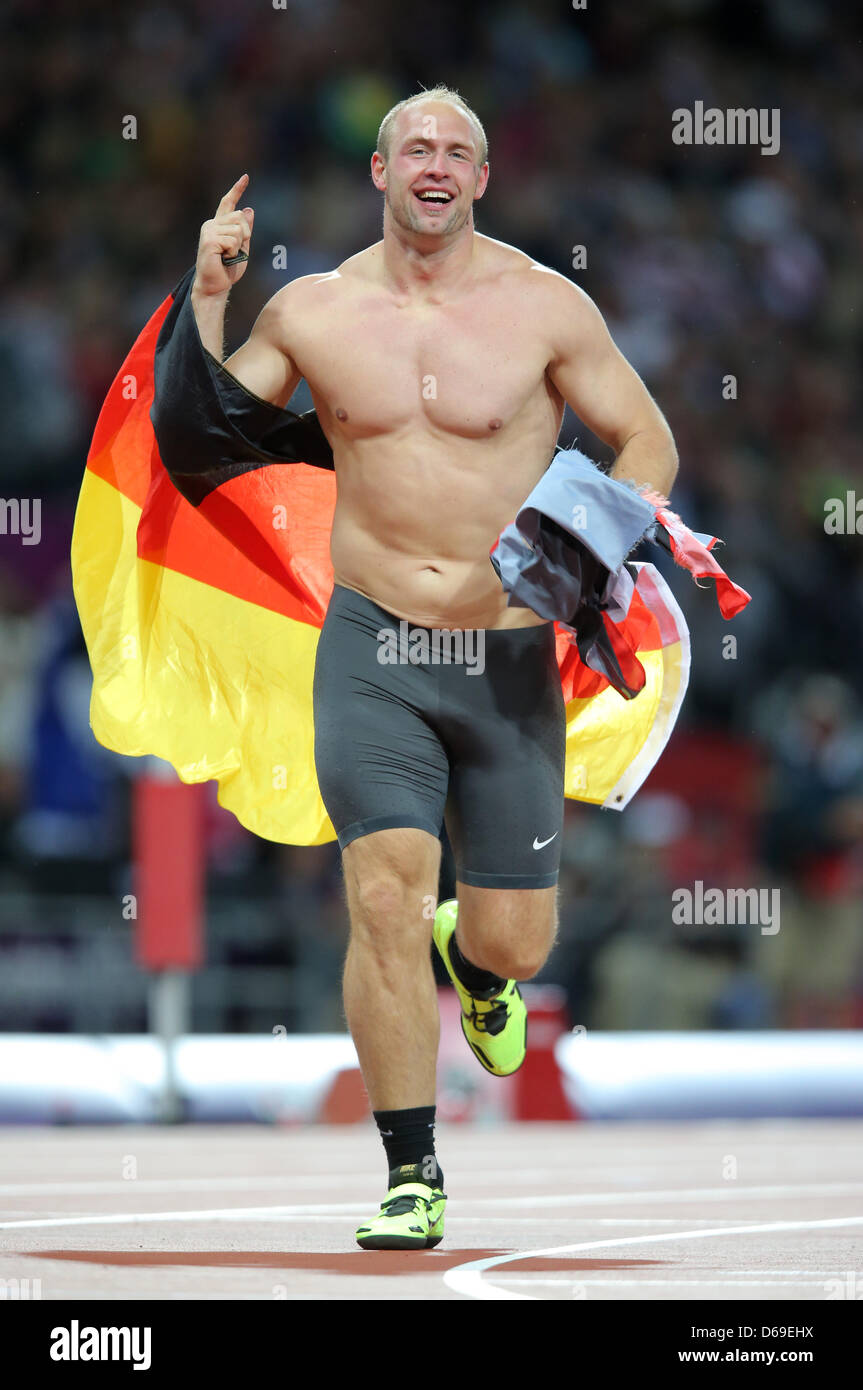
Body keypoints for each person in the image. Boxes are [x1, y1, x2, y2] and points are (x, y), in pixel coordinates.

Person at [190, 85, 678, 1250]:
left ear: (482, 179)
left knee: (516, 939)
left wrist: (607, 527)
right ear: (378, 170)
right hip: (371, 650)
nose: (437, 162)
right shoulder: (311, 310)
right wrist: (211, 300)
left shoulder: (543, 306)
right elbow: (207, 436)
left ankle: (480, 962)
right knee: (378, 895)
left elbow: (647, 435)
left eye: (459, 149)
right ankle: (412, 1169)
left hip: (506, 655)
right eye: (417, 144)